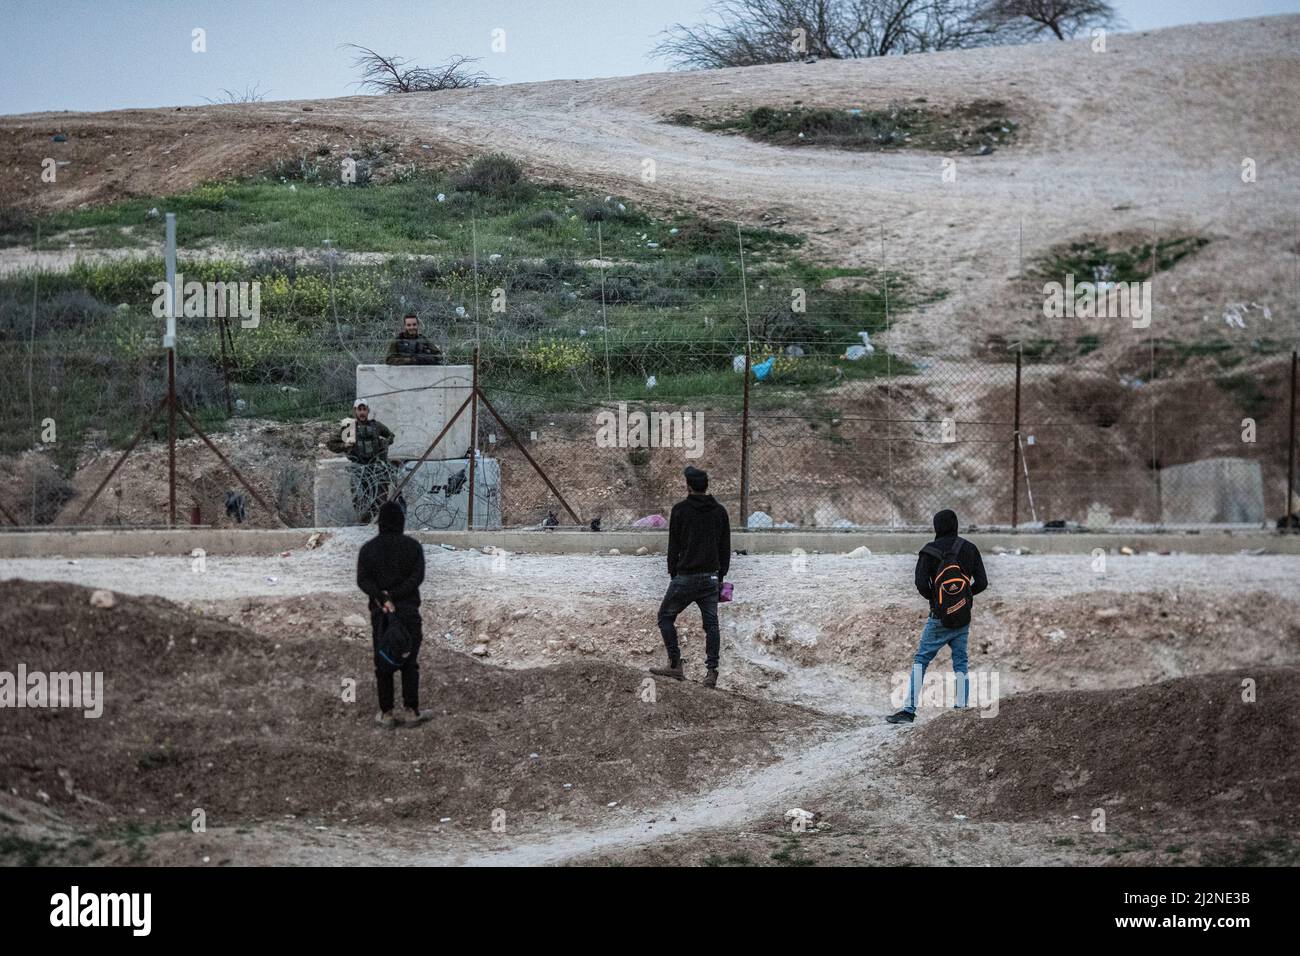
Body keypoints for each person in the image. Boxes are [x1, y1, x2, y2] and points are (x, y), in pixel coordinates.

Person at [886, 509, 988, 724]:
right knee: (960, 661)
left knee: (921, 660)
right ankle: (961, 708)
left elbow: (921, 584)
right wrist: (963, 597)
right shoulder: (970, 548)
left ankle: (908, 710)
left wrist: (938, 602)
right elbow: (982, 582)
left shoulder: (929, 551)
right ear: (956, 525)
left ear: (936, 527)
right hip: (962, 616)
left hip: (938, 618)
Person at [651, 465, 731, 688]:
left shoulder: (680, 510)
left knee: (665, 617)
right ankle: (711, 672)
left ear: (688, 486)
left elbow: (673, 546)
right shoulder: (720, 511)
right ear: (706, 486)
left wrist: (673, 573)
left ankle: (675, 664)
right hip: (711, 578)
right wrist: (721, 576)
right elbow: (725, 548)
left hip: (685, 576)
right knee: (712, 625)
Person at [356, 501, 428, 728]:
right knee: (409, 662)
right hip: (408, 613)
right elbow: (417, 578)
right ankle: (411, 711)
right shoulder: (413, 547)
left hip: (381, 614)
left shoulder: (368, 549)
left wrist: (383, 598)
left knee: (383, 662)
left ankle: (386, 712)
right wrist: (396, 596)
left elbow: (363, 580)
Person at [327, 400, 395, 524]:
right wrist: (344, 445)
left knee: (380, 501)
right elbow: (331, 444)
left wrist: (384, 443)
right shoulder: (349, 429)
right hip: (359, 469)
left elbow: (391, 436)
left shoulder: (377, 426)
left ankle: (379, 527)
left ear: (368, 411)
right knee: (360, 502)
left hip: (376, 468)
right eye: (359, 410)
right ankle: (364, 526)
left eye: (364, 409)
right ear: (355, 411)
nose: (362, 412)